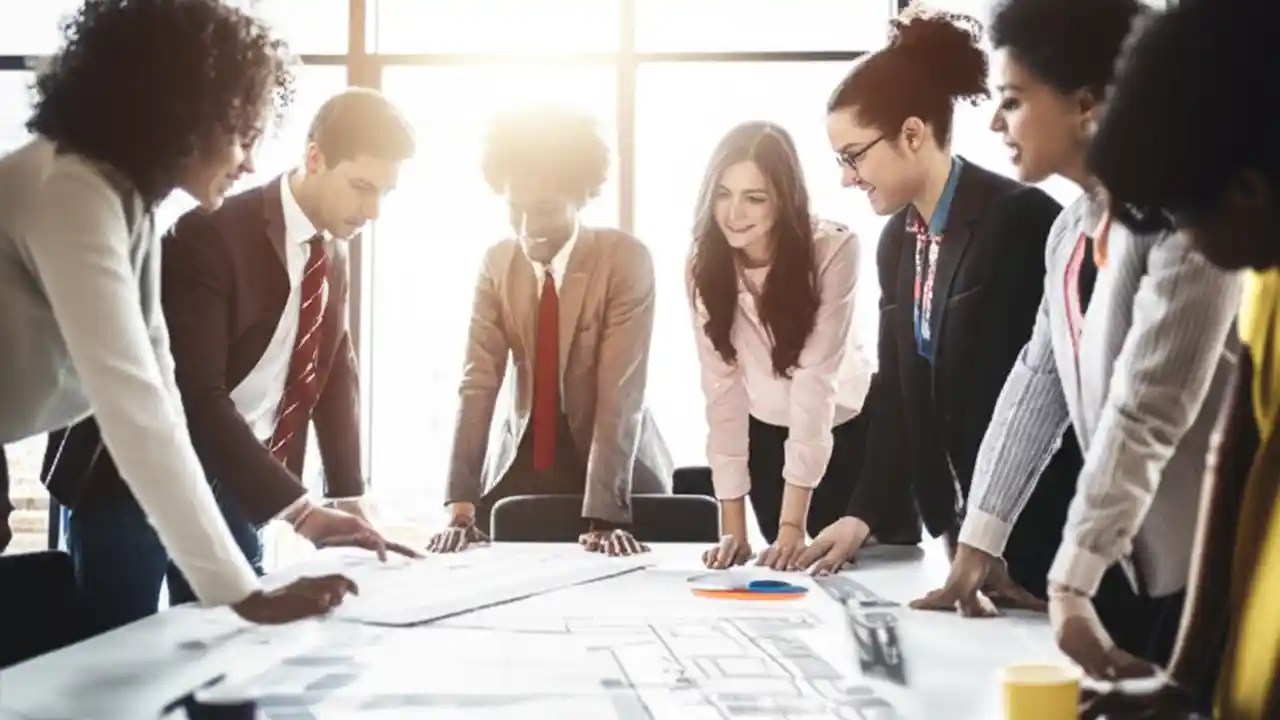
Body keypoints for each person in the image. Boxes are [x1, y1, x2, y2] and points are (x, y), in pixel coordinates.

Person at [0, 0, 355, 629]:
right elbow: (131, 404)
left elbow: (163, 396)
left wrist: (240, 586)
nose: (250, 161)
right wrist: (244, 594)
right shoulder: (70, 191)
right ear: (179, 119)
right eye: (243, 136)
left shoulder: (128, 205)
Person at [913, 0, 1242, 678]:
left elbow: (1145, 411)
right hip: (1130, 568)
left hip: (1218, 568)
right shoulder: (1068, 233)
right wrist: (981, 539)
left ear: (1087, 104)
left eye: (1011, 101)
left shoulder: (1186, 227)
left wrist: (1072, 579)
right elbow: (1037, 381)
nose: (995, 122)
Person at [44, 89, 419, 635]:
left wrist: (347, 494)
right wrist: (303, 512)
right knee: (120, 645)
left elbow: (334, 368)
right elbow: (195, 395)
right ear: (315, 158)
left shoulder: (332, 247)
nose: (373, 211)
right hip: (134, 474)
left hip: (231, 474)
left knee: (235, 639)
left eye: (386, 193)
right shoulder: (210, 235)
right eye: (362, 187)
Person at [798, 6, 1078, 597]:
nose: (847, 177)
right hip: (960, 534)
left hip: (1041, 532)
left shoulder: (1022, 220)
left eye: (854, 155)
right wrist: (863, 514)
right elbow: (900, 390)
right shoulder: (897, 244)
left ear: (912, 134)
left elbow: (1056, 395)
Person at [1079, 1, 1280, 716]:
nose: (1187, 249)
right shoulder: (1267, 271)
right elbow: (1236, 455)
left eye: (1186, 220)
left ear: (1249, 191)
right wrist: (1184, 679)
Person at [428, 104, 673, 556]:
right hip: (521, 467)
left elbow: (620, 392)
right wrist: (461, 507)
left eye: (543, 210)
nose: (527, 228)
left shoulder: (624, 259)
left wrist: (605, 518)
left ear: (580, 197)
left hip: (614, 476)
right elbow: (478, 381)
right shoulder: (497, 264)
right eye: (515, 209)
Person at [684, 121, 902, 572]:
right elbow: (721, 391)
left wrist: (792, 526)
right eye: (723, 194)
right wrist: (734, 532)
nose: (734, 212)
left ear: (784, 198)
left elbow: (814, 379)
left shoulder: (833, 249)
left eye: (754, 197)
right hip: (769, 439)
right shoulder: (703, 266)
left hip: (849, 435)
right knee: (793, 578)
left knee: (876, 573)